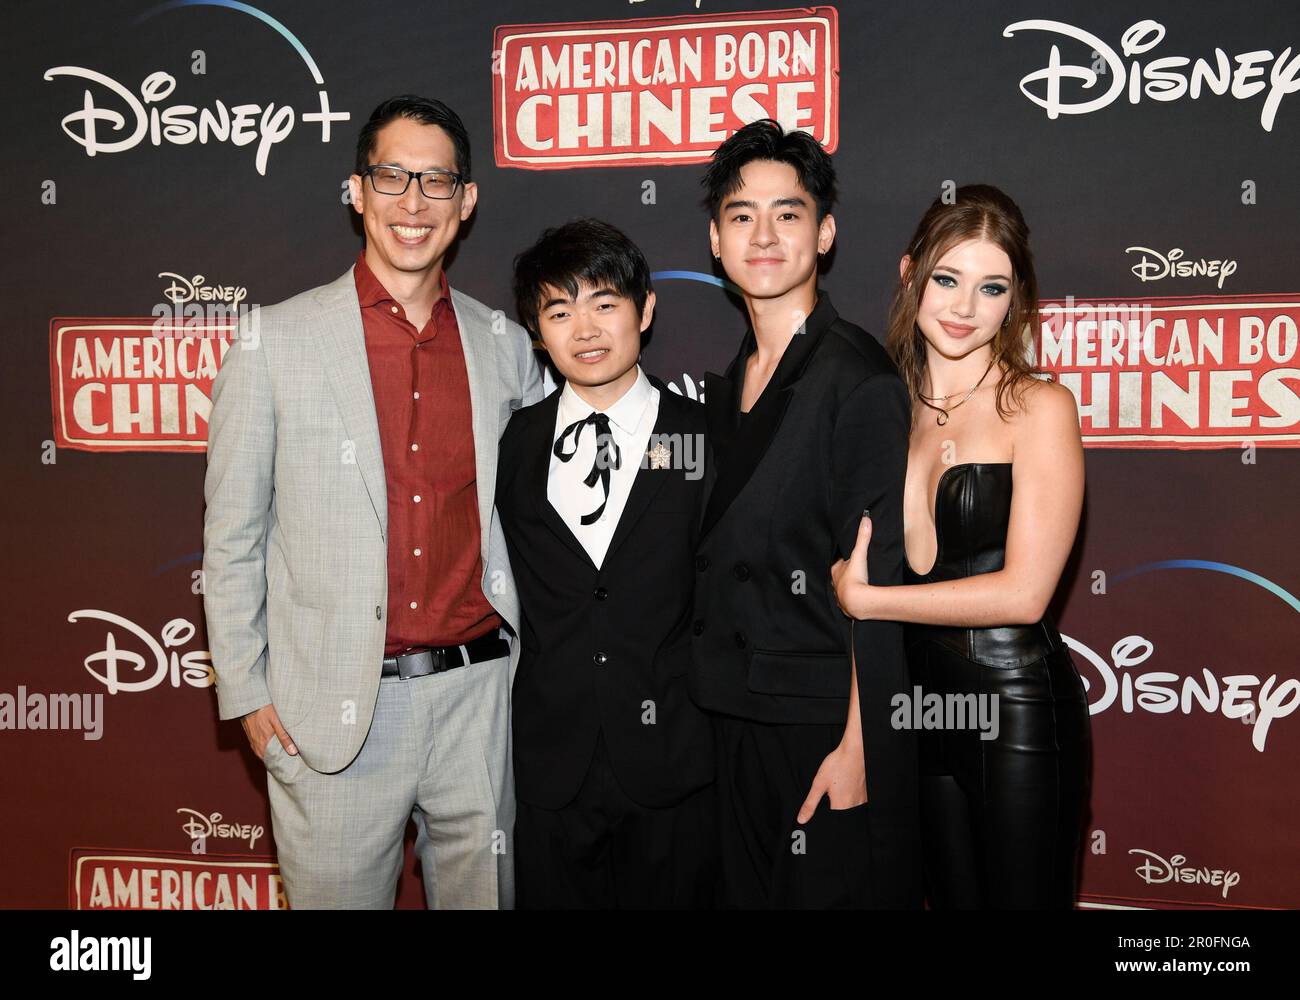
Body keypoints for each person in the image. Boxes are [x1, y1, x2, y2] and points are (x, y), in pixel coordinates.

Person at [203, 94, 543, 909]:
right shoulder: (274, 342)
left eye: (436, 182)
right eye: (392, 177)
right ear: (356, 190)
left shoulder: (506, 347)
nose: (412, 203)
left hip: (479, 700)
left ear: (467, 201)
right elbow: (232, 535)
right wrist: (247, 694)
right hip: (332, 716)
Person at [832, 184, 1091, 909]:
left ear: (1016, 301)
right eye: (947, 278)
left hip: (1014, 710)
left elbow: (1024, 593)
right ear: (910, 273)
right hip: (916, 711)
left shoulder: (1038, 407)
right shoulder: (883, 405)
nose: (964, 306)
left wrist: (868, 598)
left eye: (991, 288)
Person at [691, 119, 921, 908]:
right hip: (728, 716)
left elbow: (880, 588)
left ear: (823, 234)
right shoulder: (732, 380)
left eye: (787, 214)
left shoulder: (858, 380)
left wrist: (861, 745)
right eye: (741, 215)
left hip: (819, 725)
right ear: (715, 241)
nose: (763, 235)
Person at [497, 218, 716, 908]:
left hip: (675, 765)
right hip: (550, 767)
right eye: (560, 311)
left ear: (645, 309)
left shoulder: (705, 439)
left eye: (604, 303)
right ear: (537, 330)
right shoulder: (512, 443)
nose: (584, 328)